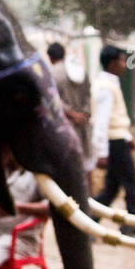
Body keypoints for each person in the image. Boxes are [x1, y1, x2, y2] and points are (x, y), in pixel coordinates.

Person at [92, 44, 135, 236]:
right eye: (122, 60)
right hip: (113, 144)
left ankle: (90, 219)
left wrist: (127, 136)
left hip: (118, 139)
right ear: (112, 63)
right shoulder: (105, 87)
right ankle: (132, 227)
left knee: (111, 188)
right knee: (132, 186)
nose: (125, 65)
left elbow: (113, 117)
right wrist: (102, 153)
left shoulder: (110, 83)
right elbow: (101, 122)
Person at [47, 41, 94, 172]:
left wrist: (72, 115)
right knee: (87, 166)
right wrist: (84, 114)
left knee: (71, 167)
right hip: (84, 125)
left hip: (66, 126)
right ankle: (89, 193)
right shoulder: (81, 70)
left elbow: (53, 100)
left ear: (50, 57)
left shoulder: (52, 74)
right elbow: (88, 95)